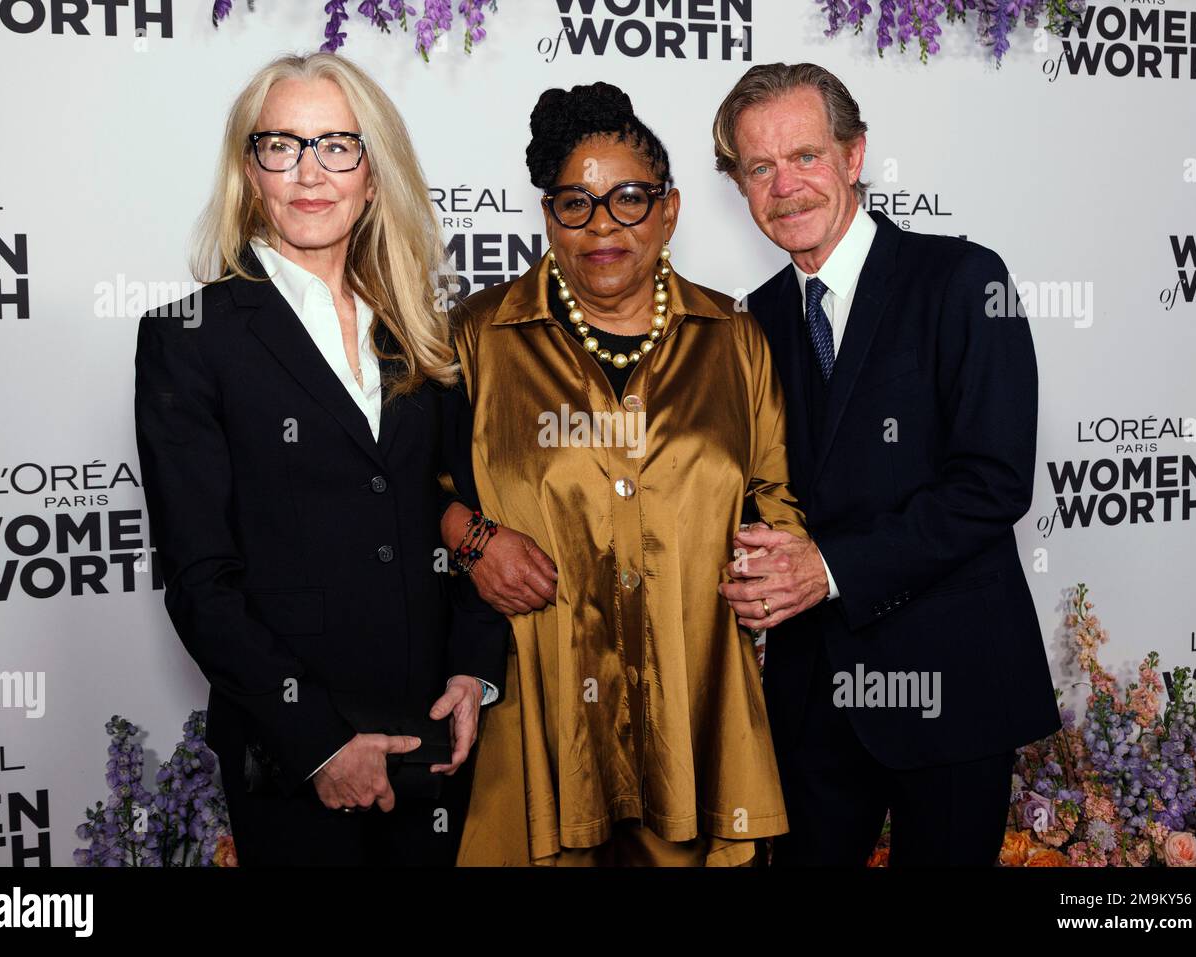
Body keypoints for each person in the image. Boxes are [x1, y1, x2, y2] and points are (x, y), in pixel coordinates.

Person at [133, 52, 506, 866]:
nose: (309, 172)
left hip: (432, 747)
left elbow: (468, 510)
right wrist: (320, 744)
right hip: (291, 760)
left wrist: (476, 672)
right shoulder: (189, 339)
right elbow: (202, 582)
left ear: (373, 174)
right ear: (249, 169)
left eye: (338, 145)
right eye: (282, 146)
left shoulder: (424, 333)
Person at [443, 82, 800, 866]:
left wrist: (772, 565)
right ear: (548, 218)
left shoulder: (735, 339)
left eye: (630, 199)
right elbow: (415, 486)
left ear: (670, 212)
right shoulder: (478, 338)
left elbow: (776, 494)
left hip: (699, 707)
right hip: (541, 719)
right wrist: (473, 538)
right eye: (576, 202)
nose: (603, 225)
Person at [713, 63, 1061, 866]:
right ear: (739, 186)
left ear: (854, 154)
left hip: (952, 686)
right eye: (759, 168)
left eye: (805, 156)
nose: (785, 186)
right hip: (811, 702)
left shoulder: (963, 280)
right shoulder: (752, 323)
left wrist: (827, 568)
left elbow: (993, 481)